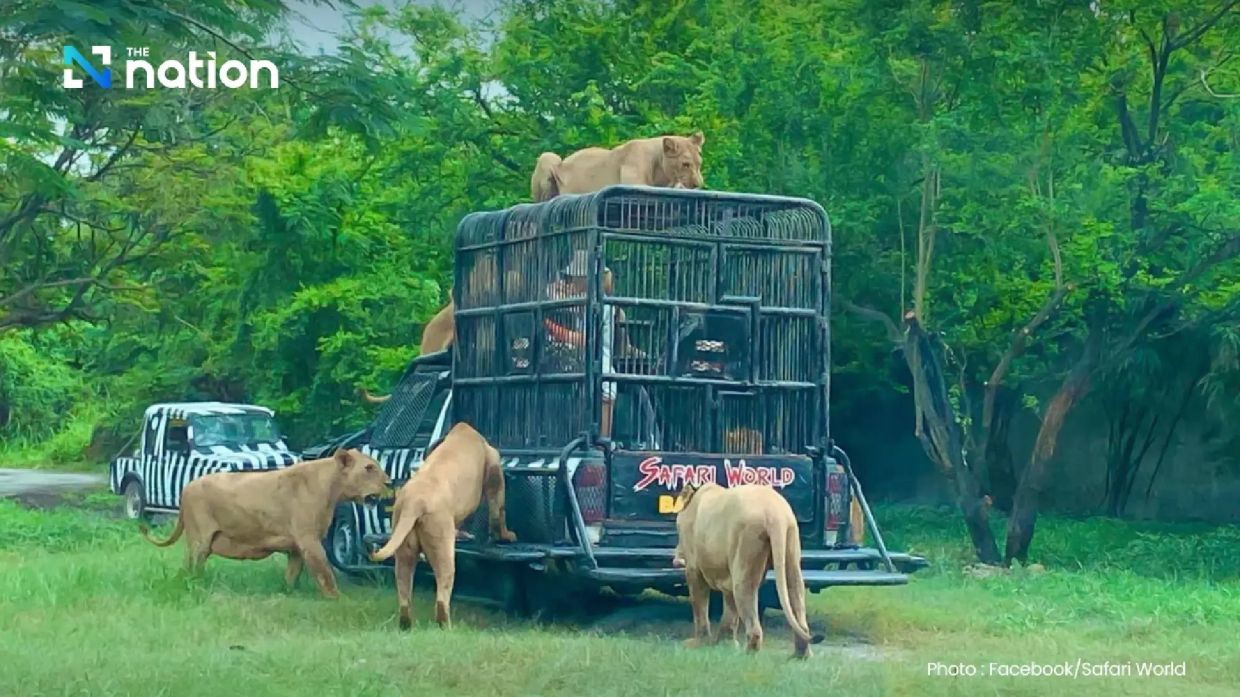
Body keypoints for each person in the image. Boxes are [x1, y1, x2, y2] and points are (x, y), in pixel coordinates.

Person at [543, 250, 639, 438]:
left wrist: (553, 328)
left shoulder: (603, 305)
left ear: (587, 278)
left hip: (597, 355)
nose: (570, 281)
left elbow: (587, 340)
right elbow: (551, 294)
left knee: (607, 382)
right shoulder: (581, 300)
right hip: (576, 357)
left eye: (574, 278)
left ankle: (603, 439)